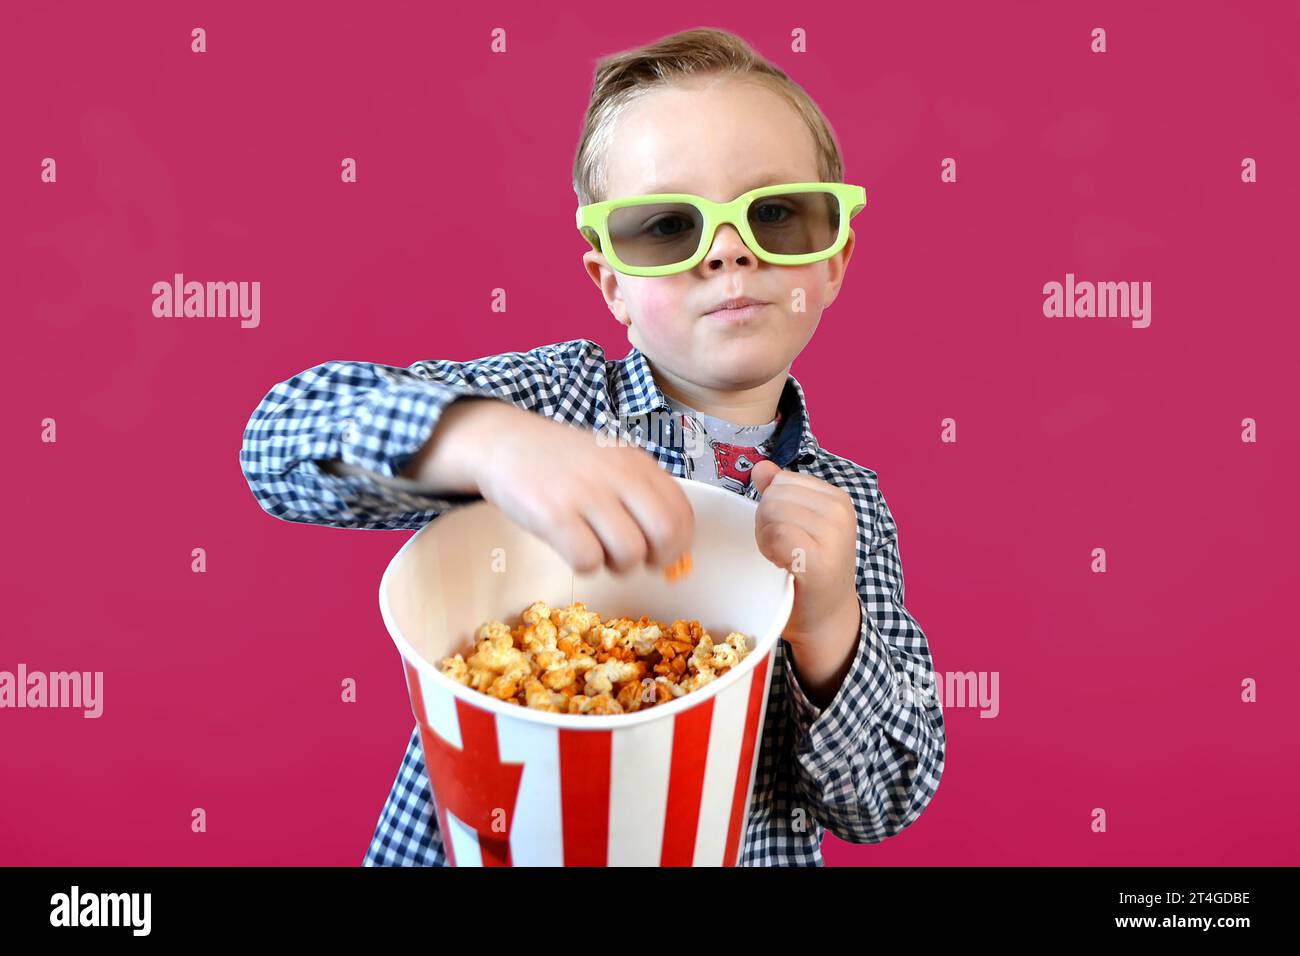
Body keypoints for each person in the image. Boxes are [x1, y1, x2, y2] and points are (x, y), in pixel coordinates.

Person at [239, 26, 945, 866]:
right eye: (665, 227)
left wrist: (829, 625)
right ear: (610, 282)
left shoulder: (846, 508)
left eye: (778, 215)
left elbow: (886, 800)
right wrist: (490, 443)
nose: (727, 249)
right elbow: (277, 442)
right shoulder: (553, 406)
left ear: (834, 261)